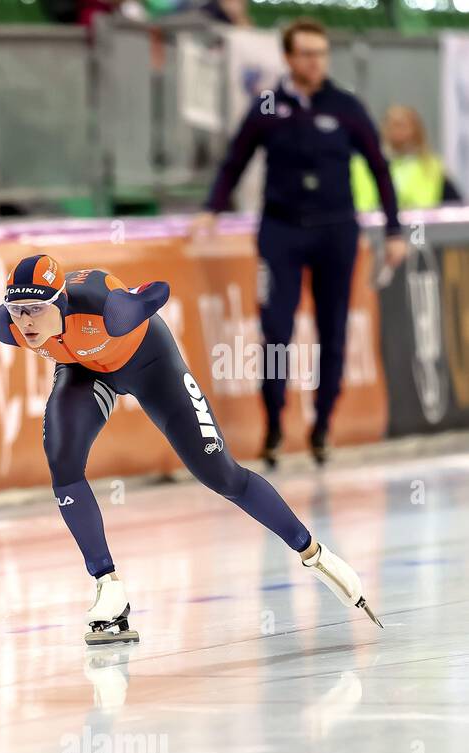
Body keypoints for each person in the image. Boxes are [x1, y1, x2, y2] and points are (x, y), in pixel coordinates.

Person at [0, 254, 382, 645]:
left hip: (149, 364)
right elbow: (22, 319)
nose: (24, 322)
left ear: (60, 302)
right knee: (62, 461)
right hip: (82, 371)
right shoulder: (6, 327)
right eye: (17, 310)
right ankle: (107, 585)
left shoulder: (109, 311)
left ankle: (314, 553)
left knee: (222, 475)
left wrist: (134, 298)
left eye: (35, 310)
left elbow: (158, 290)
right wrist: (25, 316)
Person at [191, 17, 408, 468]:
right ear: (289, 57)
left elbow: (378, 168)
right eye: (306, 53)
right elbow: (236, 160)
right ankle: (273, 423)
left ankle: (323, 425)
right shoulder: (268, 104)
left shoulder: (346, 105)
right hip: (281, 231)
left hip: (336, 231)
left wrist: (393, 229)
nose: (315, 62)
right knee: (276, 330)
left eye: (321, 53)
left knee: (333, 330)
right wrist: (211, 209)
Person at [351, 105, 463, 212]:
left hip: (420, 228)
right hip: (374, 228)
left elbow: (455, 207)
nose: (397, 130)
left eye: (402, 125)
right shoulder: (363, 164)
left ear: (416, 130)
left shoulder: (431, 167)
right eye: (392, 124)